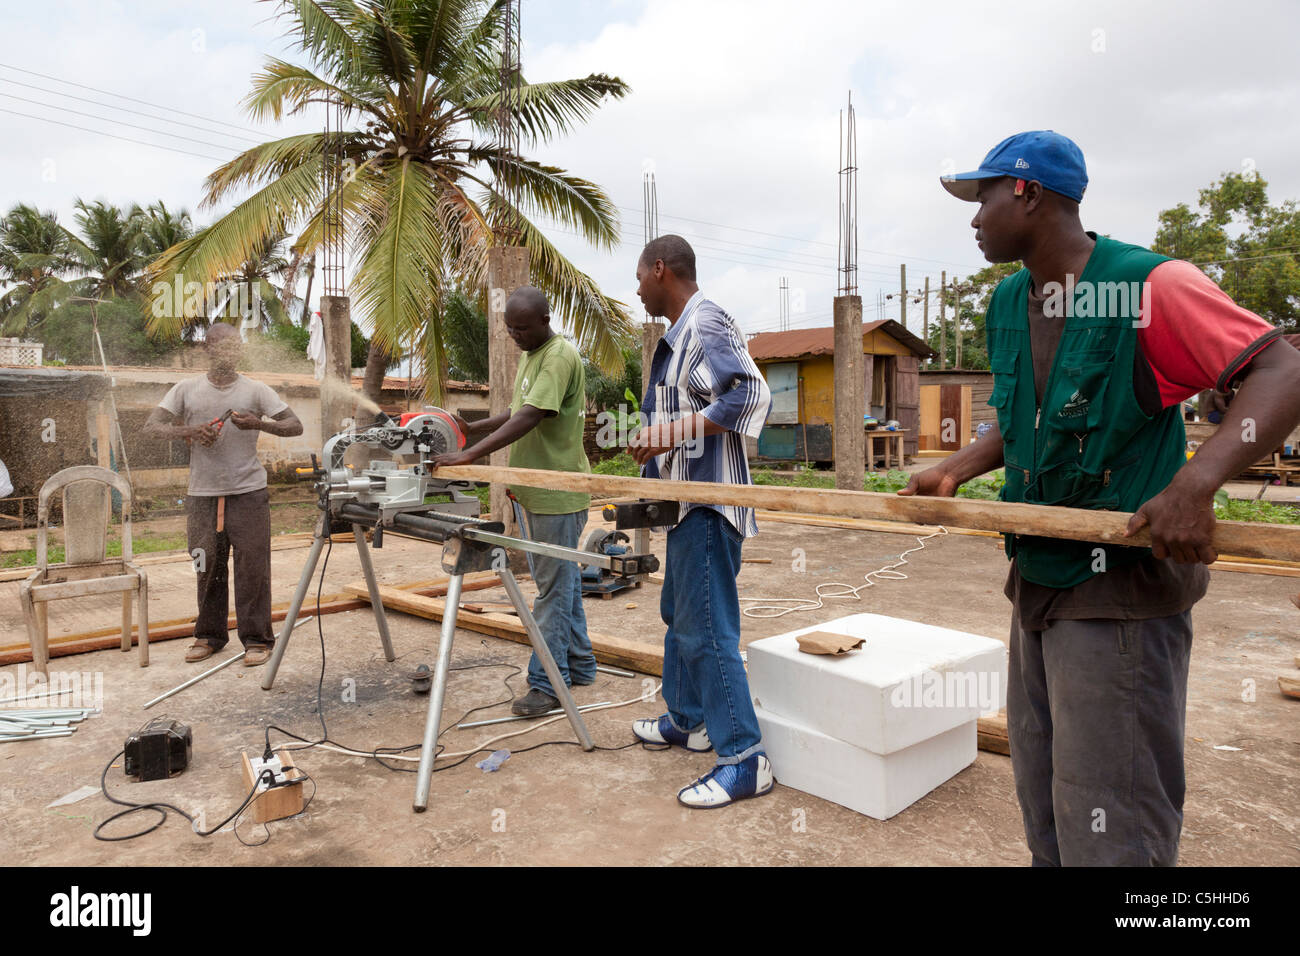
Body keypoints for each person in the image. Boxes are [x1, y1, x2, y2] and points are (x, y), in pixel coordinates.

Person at [902, 130, 1300, 864]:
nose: (974, 217)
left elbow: (1283, 370)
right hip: (1037, 583)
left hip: (1119, 591)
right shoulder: (1011, 301)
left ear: (1026, 192)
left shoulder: (1152, 287)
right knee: (1047, 803)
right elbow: (1030, 418)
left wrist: (1195, 484)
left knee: (1114, 823)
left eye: (982, 196)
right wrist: (959, 464)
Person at [628, 234, 775, 808]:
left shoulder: (707, 321)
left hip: (711, 506)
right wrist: (654, 442)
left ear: (661, 270)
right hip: (685, 506)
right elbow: (683, 413)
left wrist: (672, 431)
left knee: (708, 631)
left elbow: (748, 397)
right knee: (678, 615)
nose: (637, 288)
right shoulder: (679, 334)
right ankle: (686, 720)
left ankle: (744, 757)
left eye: (639, 276)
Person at [429, 287, 597, 717]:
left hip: (557, 493)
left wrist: (470, 455)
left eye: (522, 329)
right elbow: (514, 409)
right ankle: (578, 665)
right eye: (509, 329)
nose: (515, 337)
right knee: (560, 584)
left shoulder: (557, 356)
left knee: (553, 591)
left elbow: (531, 415)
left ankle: (547, 684)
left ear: (545, 320)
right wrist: (471, 429)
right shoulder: (531, 353)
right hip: (532, 490)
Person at [144, 322, 303, 666]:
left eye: (235, 346)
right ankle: (210, 636)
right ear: (207, 349)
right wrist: (190, 430)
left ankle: (258, 639)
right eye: (220, 346)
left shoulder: (256, 390)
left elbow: (294, 425)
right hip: (202, 494)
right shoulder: (185, 390)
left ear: (240, 350)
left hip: (249, 492)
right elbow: (151, 428)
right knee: (207, 564)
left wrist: (258, 423)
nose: (228, 352)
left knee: (252, 567)